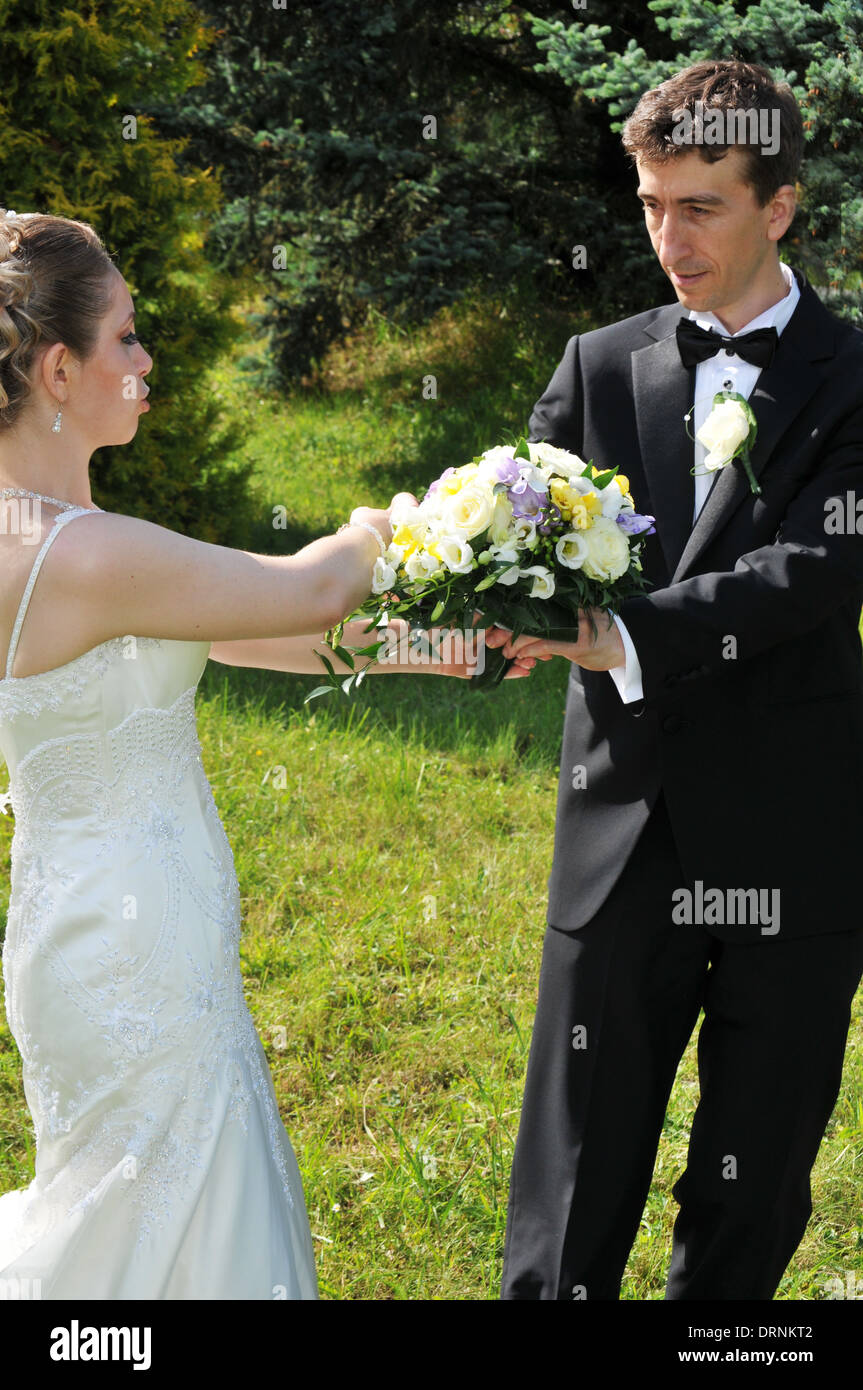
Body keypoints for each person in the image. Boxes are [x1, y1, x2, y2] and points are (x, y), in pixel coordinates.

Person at [0, 208, 529, 1299]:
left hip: (120, 929)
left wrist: (440, 650)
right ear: (59, 368)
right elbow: (313, 588)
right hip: (128, 954)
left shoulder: (62, 532)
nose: (147, 363)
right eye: (128, 338)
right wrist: (394, 523)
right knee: (145, 1229)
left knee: (145, 1223)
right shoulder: (74, 552)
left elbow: (256, 629)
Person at [488, 59, 863, 1299]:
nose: (666, 237)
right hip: (621, 831)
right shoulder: (597, 364)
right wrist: (476, 608)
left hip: (790, 837)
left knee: (747, 1190)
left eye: (698, 205)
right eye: (650, 203)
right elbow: (517, 540)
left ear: (781, 205)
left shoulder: (854, 374)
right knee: (572, 1174)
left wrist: (627, 632)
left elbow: (815, 569)